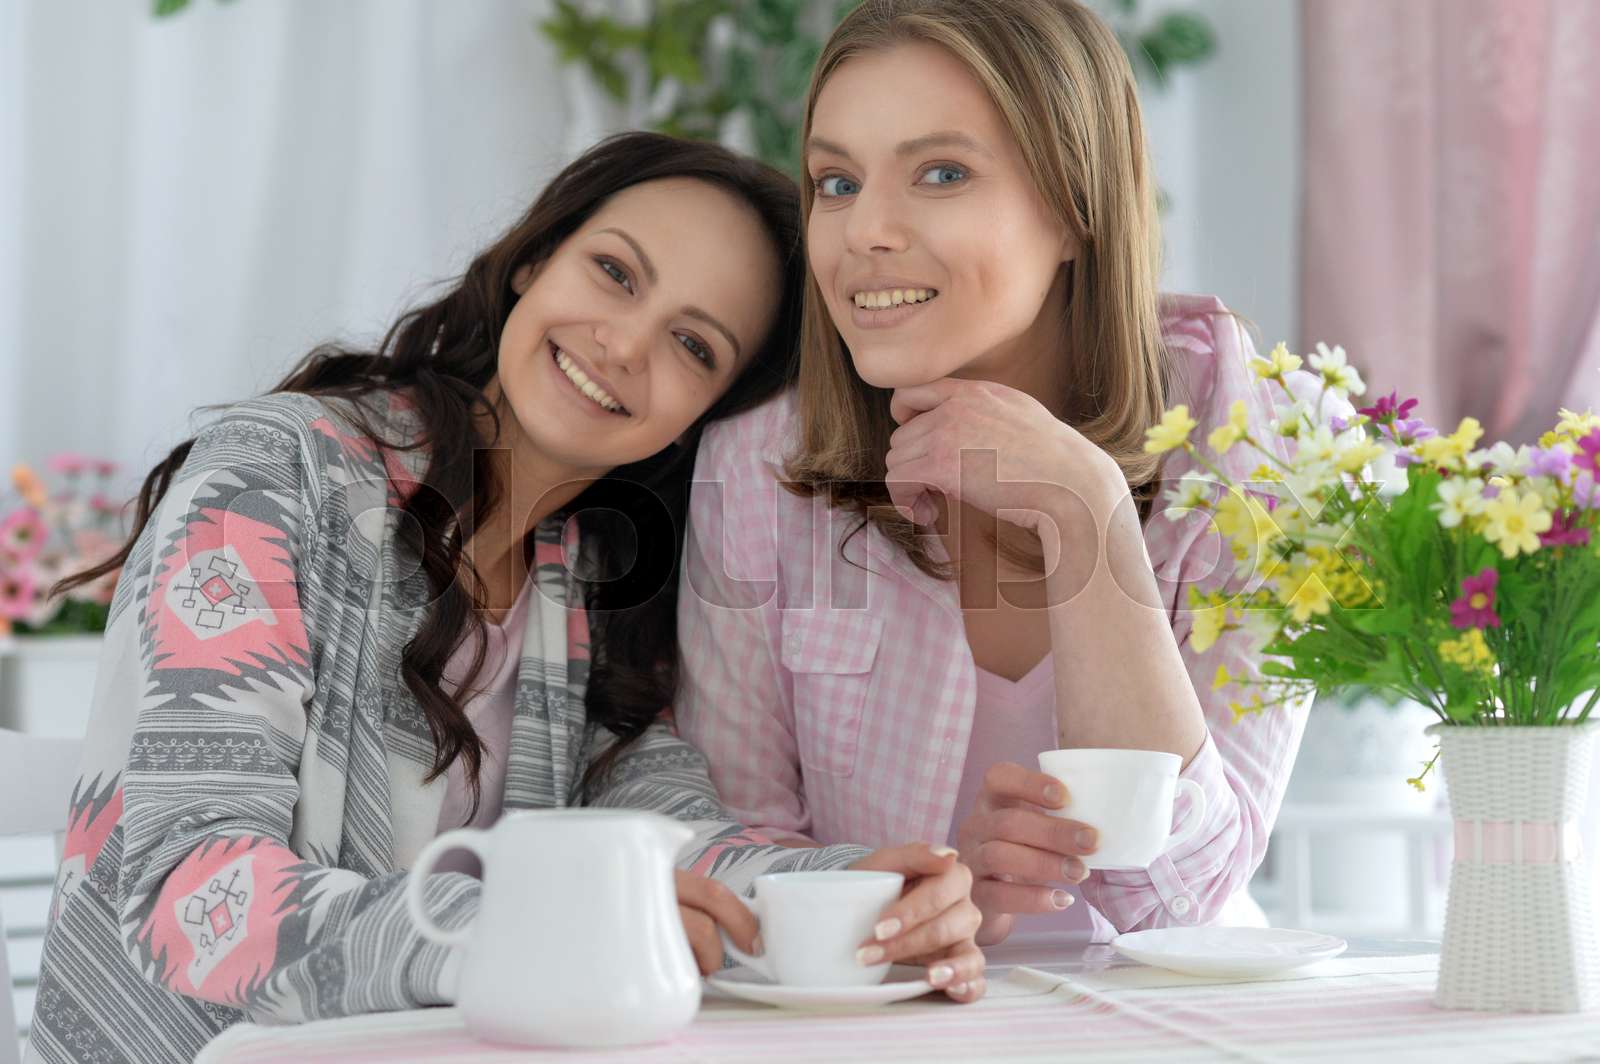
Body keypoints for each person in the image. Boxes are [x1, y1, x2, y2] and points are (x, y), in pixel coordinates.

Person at [27, 132, 982, 1064]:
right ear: (534, 260)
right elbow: (191, 899)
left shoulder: (588, 582)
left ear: (710, 412)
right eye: (615, 272)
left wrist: (858, 893)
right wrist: (525, 928)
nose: (623, 343)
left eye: (694, 344)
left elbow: (669, 838)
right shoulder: (277, 475)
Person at [676, 0, 1309, 949]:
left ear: (1073, 207)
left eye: (941, 173)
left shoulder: (1248, 439)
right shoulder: (763, 461)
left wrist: (1085, 508)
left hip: (1165, 1026)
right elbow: (724, 848)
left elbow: (1184, 902)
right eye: (837, 182)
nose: (865, 232)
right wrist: (924, 890)